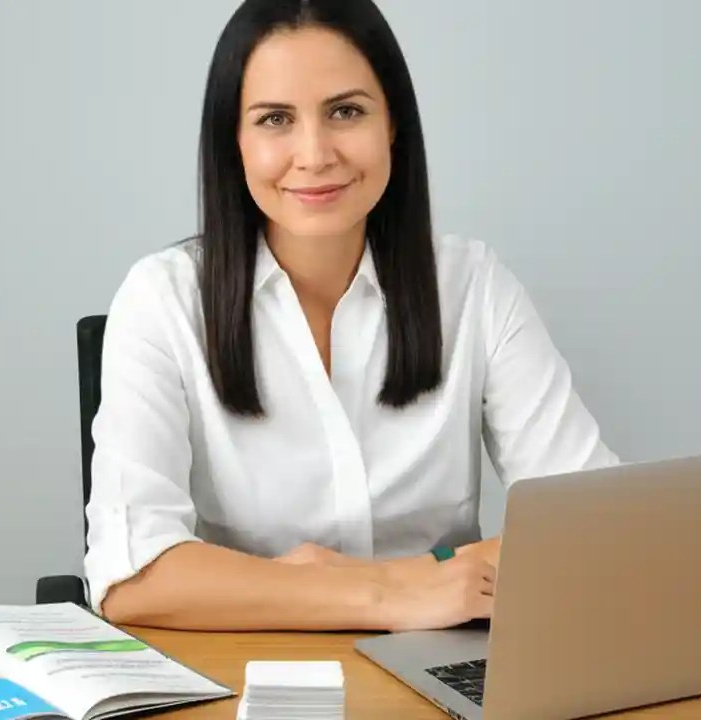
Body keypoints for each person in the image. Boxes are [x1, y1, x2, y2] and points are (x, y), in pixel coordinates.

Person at [84, 0, 618, 632]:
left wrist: (408, 578)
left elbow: (599, 524)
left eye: (345, 111)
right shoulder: (162, 300)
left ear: (392, 124)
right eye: (275, 119)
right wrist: (390, 591)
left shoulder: (473, 287)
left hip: (441, 659)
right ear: (235, 141)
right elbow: (132, 576)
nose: (314, 155)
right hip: (253, 666)